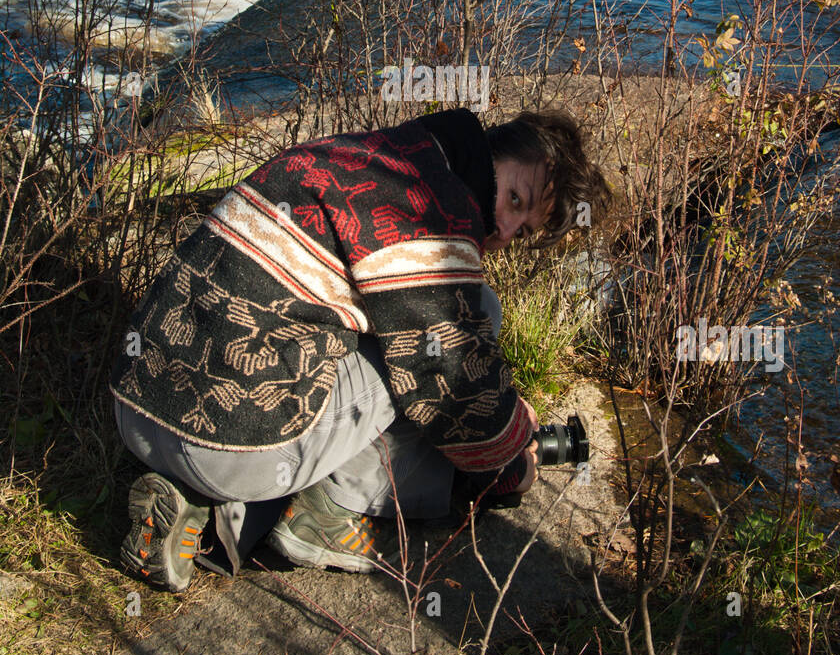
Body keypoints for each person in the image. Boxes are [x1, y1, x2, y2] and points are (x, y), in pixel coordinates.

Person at [111, 105, 610, 590]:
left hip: (136, 407)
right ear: (490, 153)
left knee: (397, 330)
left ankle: (199, 501)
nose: (503, 228)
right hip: (228, 446)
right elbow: (453, 387)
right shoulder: (437, 210)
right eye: (515, 199)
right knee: (468, 322)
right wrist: (511, 451)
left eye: (520, 232)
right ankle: (325, 512)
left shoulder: (372, 154)